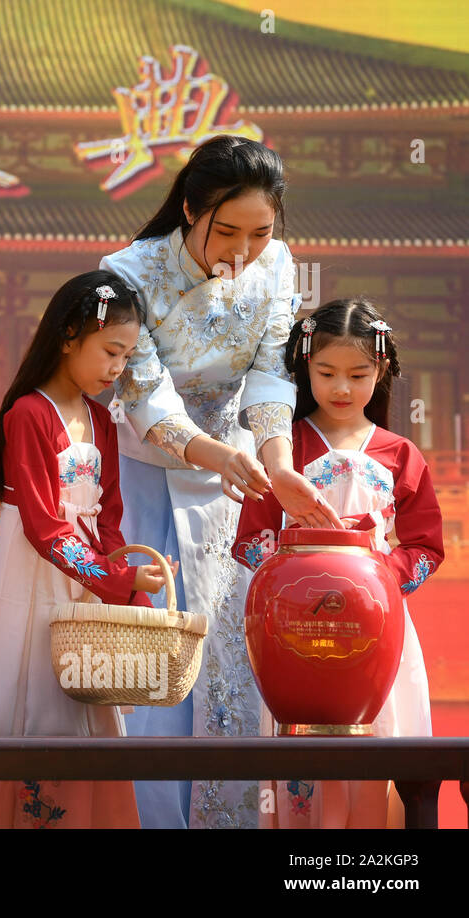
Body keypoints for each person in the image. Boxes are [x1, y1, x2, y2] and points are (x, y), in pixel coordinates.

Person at [99, 134, 342, 829]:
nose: (243, 251)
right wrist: (215, 454)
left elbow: (270, 372)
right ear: (188, 208)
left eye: (261, 233)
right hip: (147, 478)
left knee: (229, 664)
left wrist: (278, 463)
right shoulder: (128, 272)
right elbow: (144, 392)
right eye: (225, 230)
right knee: (154, 662)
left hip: (240, 485)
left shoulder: (277, 267)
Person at [0, 271, 171, 829]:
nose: (116, 369)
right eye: (110, 351)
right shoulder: (29, 413)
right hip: (33, 573)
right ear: (69, 335)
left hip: (88, 570)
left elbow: (111, 517)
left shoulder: (102, 420)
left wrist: (128, 579)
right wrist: (111, 578)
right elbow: (42, 525)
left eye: (126, 356)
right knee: (28, 690)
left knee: (85, 696)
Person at [233, 299, 440, 828]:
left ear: (382, 370)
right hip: (294, 625)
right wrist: (288, 577)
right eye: (326, 373)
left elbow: (424, 545)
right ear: (305, 367)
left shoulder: (401, 453)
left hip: (379, 625)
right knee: (303, 748)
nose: (341, 388)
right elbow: (251, 539)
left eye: (357, 373)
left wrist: (380, 582)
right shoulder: (284, 451)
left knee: (381, 737)